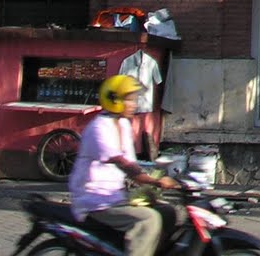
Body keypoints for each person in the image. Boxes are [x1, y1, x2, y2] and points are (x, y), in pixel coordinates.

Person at [68, 75, 179, 256]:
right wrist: (155, 181)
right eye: (130, 99)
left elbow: (132, 165)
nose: (134, 104)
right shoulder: (100, 127)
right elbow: (122, 163)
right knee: (148, 220)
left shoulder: (123, 125)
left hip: (115, 197)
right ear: (114, 100)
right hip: (96, 202)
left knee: (167, 212)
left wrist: (155, 180)